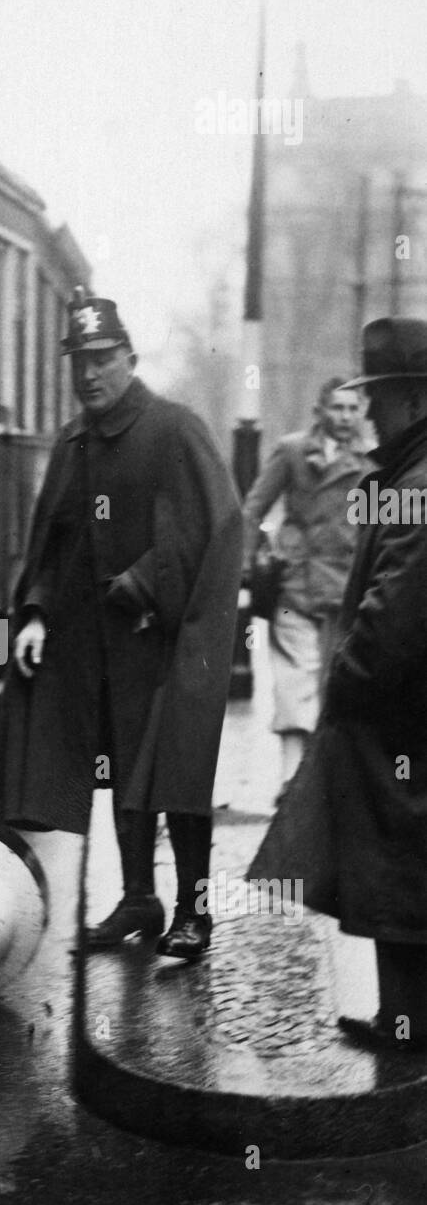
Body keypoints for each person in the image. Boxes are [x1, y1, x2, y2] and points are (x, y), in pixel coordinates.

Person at [0, 290, 243, 960]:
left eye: (102, 358)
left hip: (168, 642)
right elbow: (57, 542)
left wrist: (144, 581)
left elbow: (211, 528)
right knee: (122, 774)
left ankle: (194, 910)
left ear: (129, 357)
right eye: (79, 361)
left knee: (178, 780)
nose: (89, 374)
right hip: (97, 650)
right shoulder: (74, 444)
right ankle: (138, 899)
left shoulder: (175, 430)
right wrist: (36, 612)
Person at [248, 316, 427, 1051]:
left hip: (401, 715)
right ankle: (404, 1017)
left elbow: (396, 617)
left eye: (381, 398)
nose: (371, 413)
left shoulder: (416, 482)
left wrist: (347, 679)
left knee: (399, 868)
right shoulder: (408, 471)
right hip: (405, 709)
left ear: (415, 401)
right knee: (402, 866)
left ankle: (410, 1027)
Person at [242, 378, 373, 794]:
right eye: (337, 408)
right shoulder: (293, 451)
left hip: (345, 590)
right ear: (319, 411)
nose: (345, 417)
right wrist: (246, 568)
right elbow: (253, 508)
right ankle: (290, 780)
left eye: (353, 408)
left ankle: (321, 785)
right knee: (294, 683)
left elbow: (382, 524)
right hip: (294, 586)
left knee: (332, 686)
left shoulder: (372, 462)